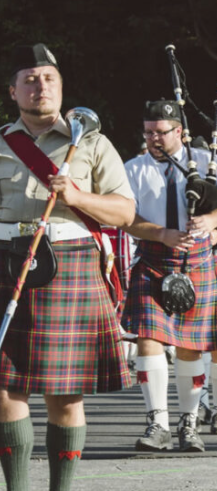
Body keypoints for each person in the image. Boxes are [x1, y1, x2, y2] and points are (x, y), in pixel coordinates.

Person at [0, 43, 137, 489]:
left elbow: (124, 212)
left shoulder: (92, 143)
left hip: (70, 263)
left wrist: (77, 196)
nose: (40, 87)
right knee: (3, 391)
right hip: (5, 265)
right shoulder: (1, 141)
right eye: (30, 80)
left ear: (61, 87)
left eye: (49, 79)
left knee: (64, 394)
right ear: (13, 91)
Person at [124, 100, 217, 452]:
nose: (154, 139)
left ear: (179, 131)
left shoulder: (208, 162)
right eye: (148, 132)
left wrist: (212, 220)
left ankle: (189, 423)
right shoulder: (132, 169)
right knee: (148, 339)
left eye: (161, 132)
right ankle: (158, 423)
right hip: (153, 258)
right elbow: (124, 217)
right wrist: (160, 233)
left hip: (196, 261)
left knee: (191, 347)